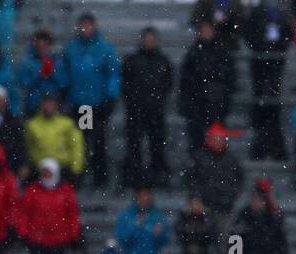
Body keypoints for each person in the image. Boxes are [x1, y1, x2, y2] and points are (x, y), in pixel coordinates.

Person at [61, 13, 120, 188]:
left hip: (97, 103)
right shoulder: (72, 48)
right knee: (80, 141)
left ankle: (99, 177)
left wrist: (110, 95)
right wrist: (65, 89)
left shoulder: (104, 48)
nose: (85, 29)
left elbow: (113, 73)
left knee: (98, 141)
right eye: (83, 25)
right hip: (80, 103)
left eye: (88, 25)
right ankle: (80, 174)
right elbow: (64, 71)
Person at [120, 27, 173, 188]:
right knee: (134, 146)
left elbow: (168, 84)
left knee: (157, 145)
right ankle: (135, 177)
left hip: (156, 111)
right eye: (147, 39)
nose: (149, 42)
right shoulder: (132, 61)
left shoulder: (163, 61)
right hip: (135, 111)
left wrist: (157, 101)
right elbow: (125, 84)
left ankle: (158, 177)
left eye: (152, 39)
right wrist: (133, 101)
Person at [242, 0, 293, 160]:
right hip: (259, 63)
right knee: (261, 106)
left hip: (276, 63)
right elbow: (248, 34)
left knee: (272, 107)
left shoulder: (283, 13)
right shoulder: (257, 12)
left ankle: (273, 148)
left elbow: (288, 34)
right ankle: (262, 148)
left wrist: (277, 48)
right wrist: (262, 47)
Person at [178, 20, 236, 156]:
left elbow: (229, 78)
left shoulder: (222, 53)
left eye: (208, 30)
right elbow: (185, 81)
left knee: (216, 142)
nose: (206, 33)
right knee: (196, 142)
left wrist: (220, 95)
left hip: (217, 104)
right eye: (203, 30)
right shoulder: (192, 53)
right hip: (197, 105)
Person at [15, 159, 82, 254]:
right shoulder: (32, 190)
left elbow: (72, 214)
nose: (46, 177)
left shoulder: (65, 190)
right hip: (37, 240)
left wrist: (74, 234)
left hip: (59, 240)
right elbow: (24, 213)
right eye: (43, 173)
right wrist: (23, 233)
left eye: (48, 173)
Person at [24, 93, 85, 184]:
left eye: (50, 103)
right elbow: (28, 147)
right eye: (45, 103)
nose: (47, 106)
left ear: (56, 105)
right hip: (40, 169)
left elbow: (76, 146)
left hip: (63, 168)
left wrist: (76, 168)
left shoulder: (67, 123)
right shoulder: (32, 125)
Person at [14, 30, 64, 119]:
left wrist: (52, 73)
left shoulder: (58, 61)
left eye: (45, 43)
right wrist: (39, 76)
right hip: (33, 106)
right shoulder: (27, 62)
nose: (42, 46)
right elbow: (23, 83)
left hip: (54, 106)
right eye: (39, 43)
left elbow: (64, 83)